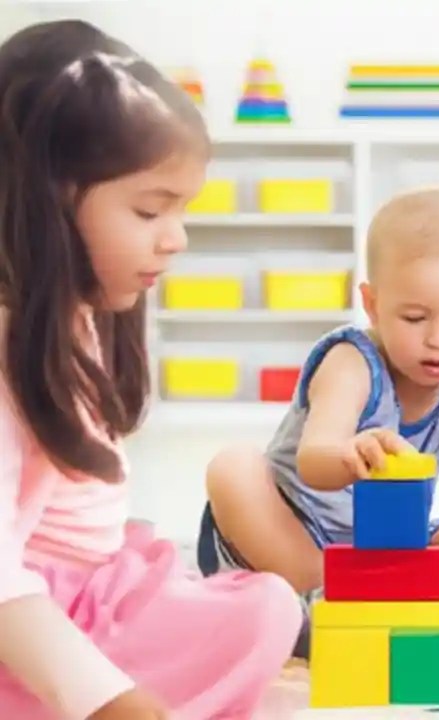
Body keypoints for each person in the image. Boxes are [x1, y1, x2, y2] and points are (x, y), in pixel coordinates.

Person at [0, 20, 301, 720]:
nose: (177, 237)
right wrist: (106, 701)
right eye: (149, 209)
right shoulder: (10, 351)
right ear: (48, 202)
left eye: (181, 208)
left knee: (263, 608)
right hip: (33, 620)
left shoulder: (72, 316)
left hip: (89, 591)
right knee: (255, 616)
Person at [198, 187, 439, 656]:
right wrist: (353, 455)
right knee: (232, 468)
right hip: (297, 532)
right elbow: (314, 459)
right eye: (415, 318)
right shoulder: (352, 361)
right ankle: (328, 605)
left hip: (390, 548)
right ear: (374, 305)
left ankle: (431, 614)